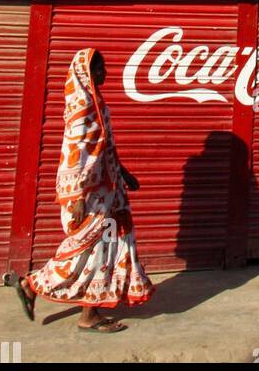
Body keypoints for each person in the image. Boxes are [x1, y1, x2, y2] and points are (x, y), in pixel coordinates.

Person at [10, 47, 154, 333]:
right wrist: (75, 196)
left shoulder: (95, 102)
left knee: (105, 247)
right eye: (98, 70)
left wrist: (123, 173)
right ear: (85, 73)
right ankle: (65, 302)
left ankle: (71, 302)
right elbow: (76, 152)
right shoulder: (83, 107)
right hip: (91, 196)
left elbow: (104, 146)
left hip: (109, 191)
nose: (104, 74)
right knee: (91, 248)